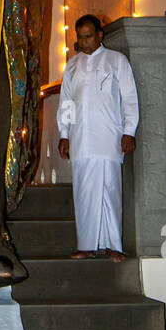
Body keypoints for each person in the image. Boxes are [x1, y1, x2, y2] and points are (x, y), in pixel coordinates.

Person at [57, 15, 139, 262]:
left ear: (100, 35)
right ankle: (86, 245)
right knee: (83, 193)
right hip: (80, 139)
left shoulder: (116, 60)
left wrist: (129, 131)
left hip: (108, 137)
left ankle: (113, 246)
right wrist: (64, 134)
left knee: (109, 191)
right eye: (80, 37)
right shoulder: (72, 65)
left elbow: (129, 97)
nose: (84, 42)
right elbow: (67, 102)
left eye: (89, 36)